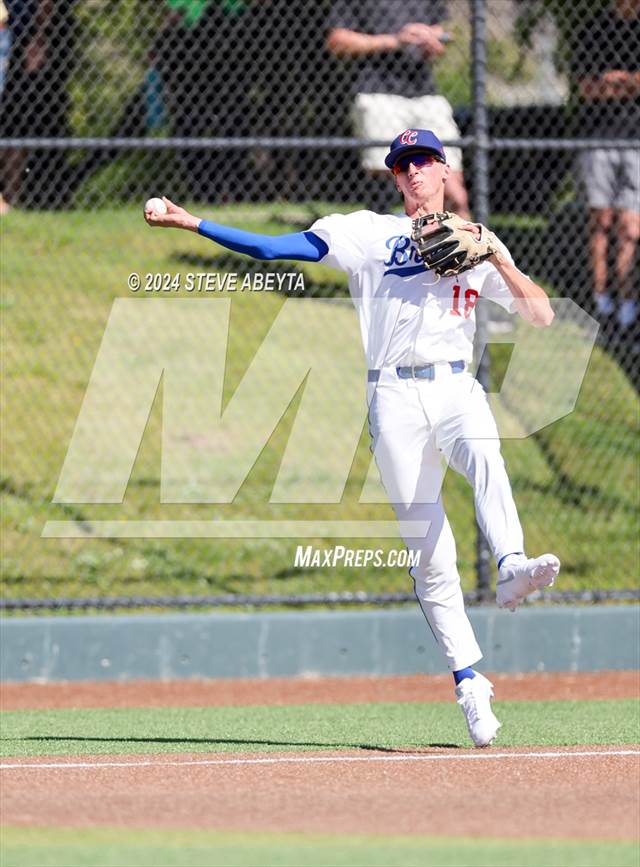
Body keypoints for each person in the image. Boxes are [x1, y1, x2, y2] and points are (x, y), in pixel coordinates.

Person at [144, 128, 560, 748]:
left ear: (445, 170)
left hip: (454, 384)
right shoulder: (367, 232)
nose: (412, 173)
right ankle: (469, 679)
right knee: (429, 550)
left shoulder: (476, 244)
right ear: (394, 179)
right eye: (402, 166)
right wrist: (189, 222)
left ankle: (510, 565)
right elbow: (272, 249)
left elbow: (542, 314)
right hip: (391, 396)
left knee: (484, 451)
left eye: (422, 161)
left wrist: (498, 254)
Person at [326, 0, 470, 218]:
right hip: (377, 93)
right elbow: (337, 41)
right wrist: (395, 40)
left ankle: (461, 249)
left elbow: (441, 35)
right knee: (386, 190)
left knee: (456, 196)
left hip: (425, 94)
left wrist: (431, 39)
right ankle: (389, 247)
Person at [568, 0, 640, 339]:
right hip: (598, 136)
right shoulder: (592, 31)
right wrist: (624, 84)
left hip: (635, 139)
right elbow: (587, 89)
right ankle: (601, 302)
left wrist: (617, 82)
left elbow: (615, 86)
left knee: (630, 225)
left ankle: (627, 304)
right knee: (601, 221)